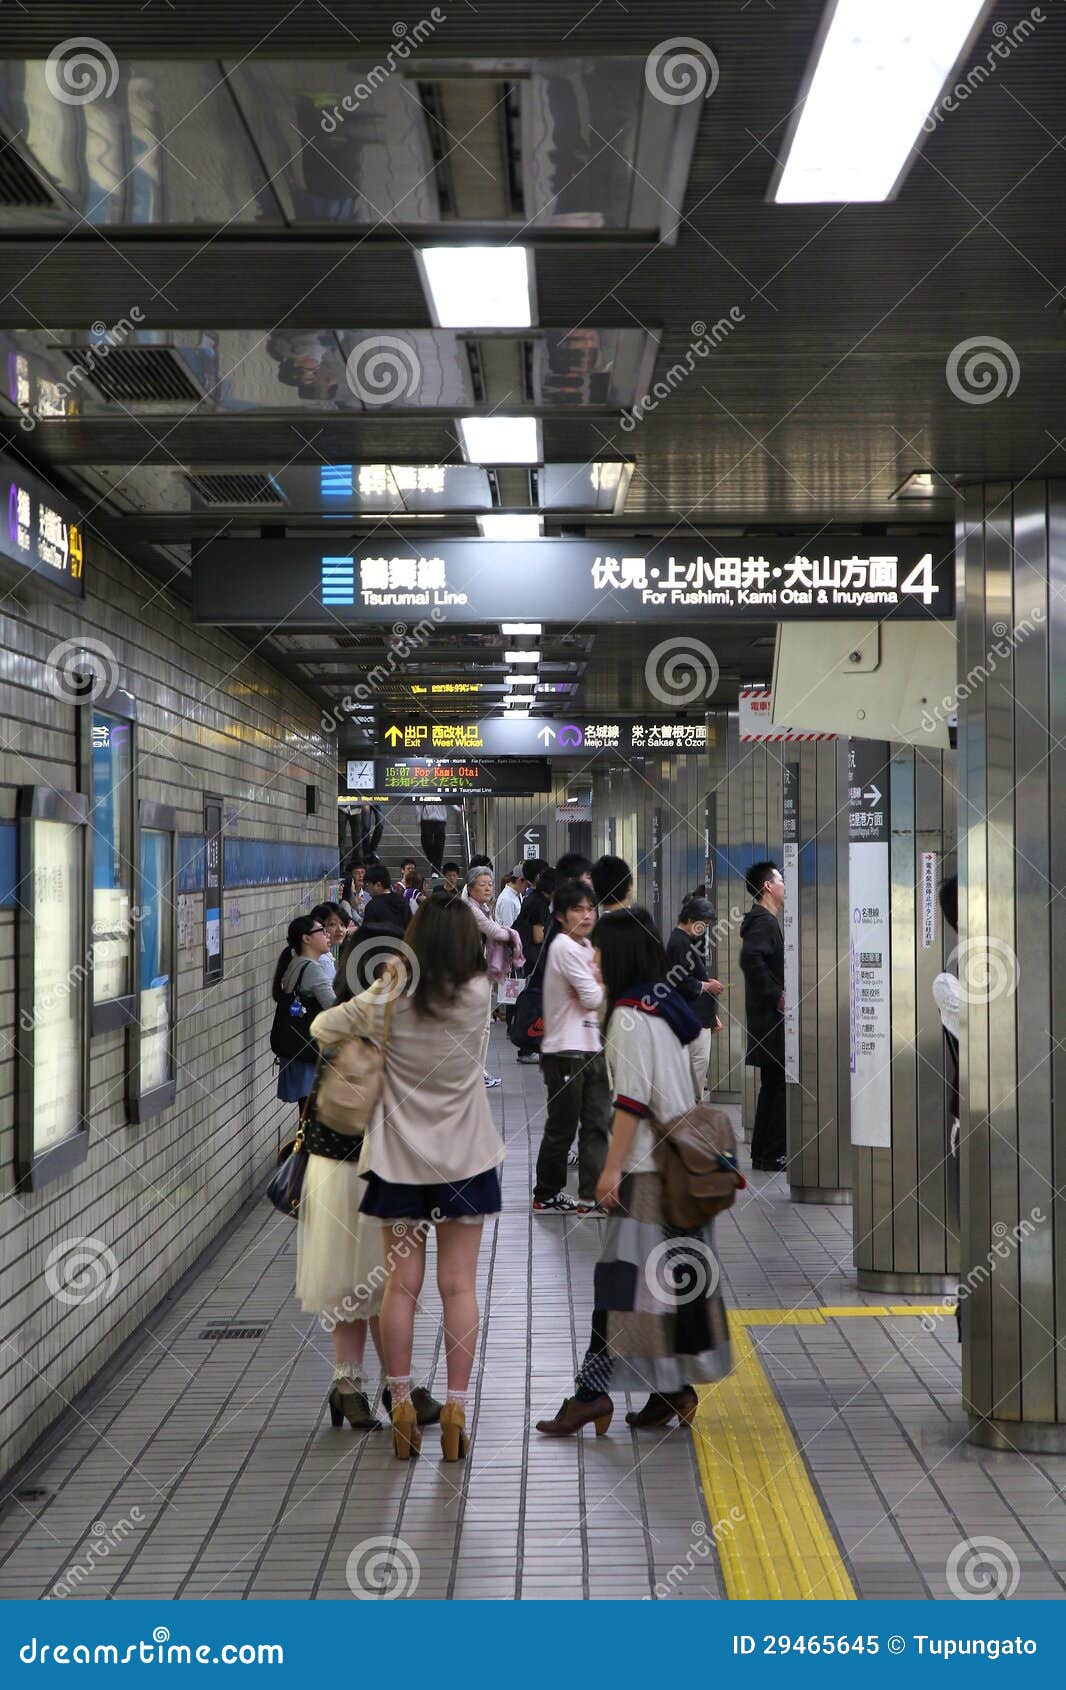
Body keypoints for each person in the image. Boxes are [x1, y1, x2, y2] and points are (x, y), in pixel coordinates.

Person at [535, 908, 732, 1438]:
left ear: (619, 955)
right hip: (679, 1168)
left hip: (648, 1172)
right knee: (661, 1283)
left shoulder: (627, 1016)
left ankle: (591, 1395)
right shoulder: (664, 1006)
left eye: (599, 951)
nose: (594, 959)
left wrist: (610, 1170)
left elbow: (632, 1102)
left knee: (619, 1287)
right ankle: (670, 1392)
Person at [352, 892, 505, 1460]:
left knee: (401, 1285)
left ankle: (401, 1404)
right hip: (464, 1156)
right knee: (458, 1285)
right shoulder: (479, 992)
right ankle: (456, 1408)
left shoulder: (390, 992)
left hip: (398, 1158)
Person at [533, 881, 612, 1216]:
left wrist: (597, 982)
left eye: (590, 908)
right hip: (565, 1051)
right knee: (563, 1127)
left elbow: (592, 994)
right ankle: (547, 1193)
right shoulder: (564, 947)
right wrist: (603, 980)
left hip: (590, 1047)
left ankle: (591, 1197)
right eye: (577, 909)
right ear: (561, 916)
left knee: (596, 1122)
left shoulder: (584, 946)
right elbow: (592, 997)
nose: (586, 915)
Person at [739, 861, 787, 1173]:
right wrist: (776, 994)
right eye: (780, 879)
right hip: (771, 1019)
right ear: (767, 886)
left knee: (772, 1085)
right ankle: (772, 1153)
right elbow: (750, 958)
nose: (784, 885)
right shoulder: (764, 923)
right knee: (778, 1086)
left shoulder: (762, 920)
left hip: (765, 1018)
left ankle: (762, 1153)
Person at [272, 914, 336, 1113]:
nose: (327, 934)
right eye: (321, 931)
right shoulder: (312, 969)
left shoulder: (296, 964)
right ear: (306, 939)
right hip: (312, 1053)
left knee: (307, 1115)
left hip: (300, 1050)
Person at [466, 864, 522, 1087]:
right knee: (478, 1027)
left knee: (484, 1026)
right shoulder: (471, 910)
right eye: (482, 884)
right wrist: (513, 934)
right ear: (471, 888)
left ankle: (479, 1071)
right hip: (473, 973)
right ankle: (474, 1073)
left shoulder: (482, 907)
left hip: (482, 971)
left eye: (490, 884)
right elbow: (495, 932)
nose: (488, 888)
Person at [666, 895, 725, 1104]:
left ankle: (691, 1109)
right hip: (693, 1019)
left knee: (696, 1071)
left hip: (697, 1016)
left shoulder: (684, 940)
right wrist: (708, 986)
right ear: (691, 919)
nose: (704, 930)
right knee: (696, 1071)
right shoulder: (680, 942)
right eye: (703, 925)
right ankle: (692, 1112)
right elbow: (681, 981)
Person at [513, 864, 555, 1062]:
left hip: (527, 955)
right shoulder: (540, 904)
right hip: (534, 958)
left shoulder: (532, 898)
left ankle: (528, 1047)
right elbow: (538, 936)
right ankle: (528, 1048)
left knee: (532, 1000)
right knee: (535, 1002)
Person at [415, 799, 449, 874]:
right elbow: (418, 803)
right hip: (426, 818)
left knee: (439, 844)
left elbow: (450, 798)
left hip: (440, 819)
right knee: (425, 840)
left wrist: (458, 808)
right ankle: (433, 859)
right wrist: (418, 817)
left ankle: (436, 871)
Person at [494, 864, 525, 930]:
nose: (527, 887)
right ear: (520, 880)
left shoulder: (517, 894)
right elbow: (509, 928)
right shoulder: (507, 900)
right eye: (527, 884)